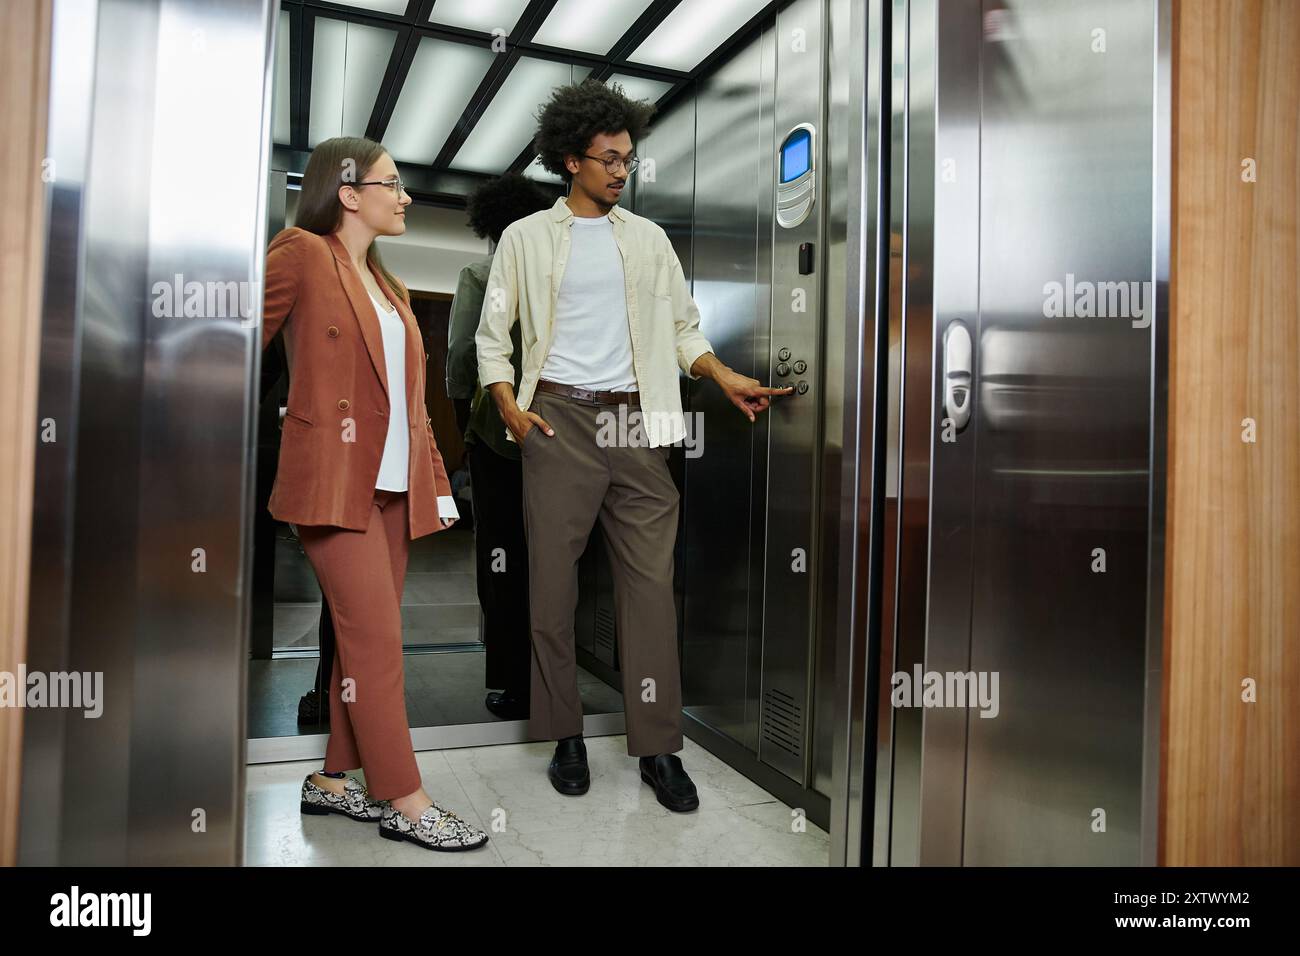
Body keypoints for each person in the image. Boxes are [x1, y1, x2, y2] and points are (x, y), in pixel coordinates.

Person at [475, 80, 791, 812]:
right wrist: (512, 412)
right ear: (569, 160)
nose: (622, 172)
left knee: (649, 592)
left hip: (641, 425)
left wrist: (719, 373)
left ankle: (657, 747)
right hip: (558, 420)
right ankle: (565, 734)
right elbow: (494, 340)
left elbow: (684, 329)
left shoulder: (648, 240)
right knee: (552, 588)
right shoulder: (526, 239)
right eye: (609, 159)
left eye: (628, 160)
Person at [261, 135, 488, 851]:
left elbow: (409, 402)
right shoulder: (300, 251)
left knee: (365, 643)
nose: (405, 196)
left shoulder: (385, 283)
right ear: (349, 192)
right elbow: (230, 342)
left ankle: (333, 779)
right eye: (392, 183)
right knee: (378, 645)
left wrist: (430, 484)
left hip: (390, 490)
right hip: (334, 486)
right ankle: (405, 798)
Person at [446, 173, 552, 721]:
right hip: (560, 432)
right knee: (554, 557)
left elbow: (464, 357)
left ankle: (511, 682)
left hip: (497, 434)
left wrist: (467, 419)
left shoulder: (481, 272)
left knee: (502, 557)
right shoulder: (558, 266)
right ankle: (551, 677)